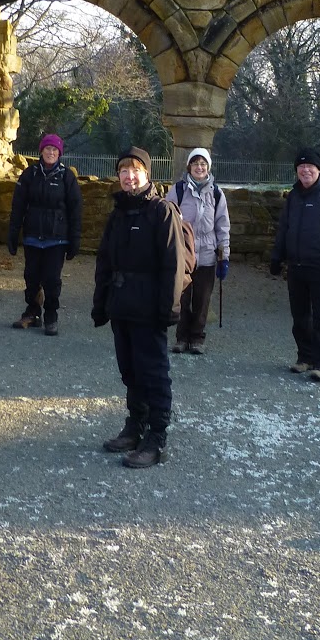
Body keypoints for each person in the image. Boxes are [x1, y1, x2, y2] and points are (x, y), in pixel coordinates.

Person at [91, 146, 186, 468]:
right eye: (123, 171)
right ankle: (135, 427)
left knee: (154, 373)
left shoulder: (162, 212)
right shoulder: (118, 214)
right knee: (130, 371)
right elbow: (104, 261)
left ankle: (157, 438)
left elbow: (173, 265)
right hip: (122, 304)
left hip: (148, 307)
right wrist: (100, 304)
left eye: (135, 170)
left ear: (147, 174)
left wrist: (169, 309)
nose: (129, 176)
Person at [269, 147, 320, 383]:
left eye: (310, 167)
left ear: (318, 170)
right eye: (301, 167)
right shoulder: (293, 197)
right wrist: (277, 256)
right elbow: (284, 229)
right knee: (300, 316)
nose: (306, 170)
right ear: (297, 170)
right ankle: (304, 357)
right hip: (296, 267)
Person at [7, 133, 83, 334]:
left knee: (51, 279)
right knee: (31, 277)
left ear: (60, 154)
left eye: (55, 150)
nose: (51, 152)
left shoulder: (67, 177)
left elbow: (75, 210)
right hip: (33, 235)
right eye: (47, 149)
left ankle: (51, 315)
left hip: (56, 238)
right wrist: (13, 234)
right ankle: (32, 312)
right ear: (41, 151)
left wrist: (75, 240)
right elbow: (18, 206)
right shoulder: (29, 174)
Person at [167, 147, 230, 355]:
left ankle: (197, 338)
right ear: (189, 167)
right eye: (195, 164)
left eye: (203, 164)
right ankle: (181, 337)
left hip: (207, 255)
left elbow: (222, 225)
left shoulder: (216, 193)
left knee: (202, 299)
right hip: (183, 256)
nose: (199, 168)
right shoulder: (177, 190)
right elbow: (167, 221)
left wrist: (224, 255)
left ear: (208, 167)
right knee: (182, 298)